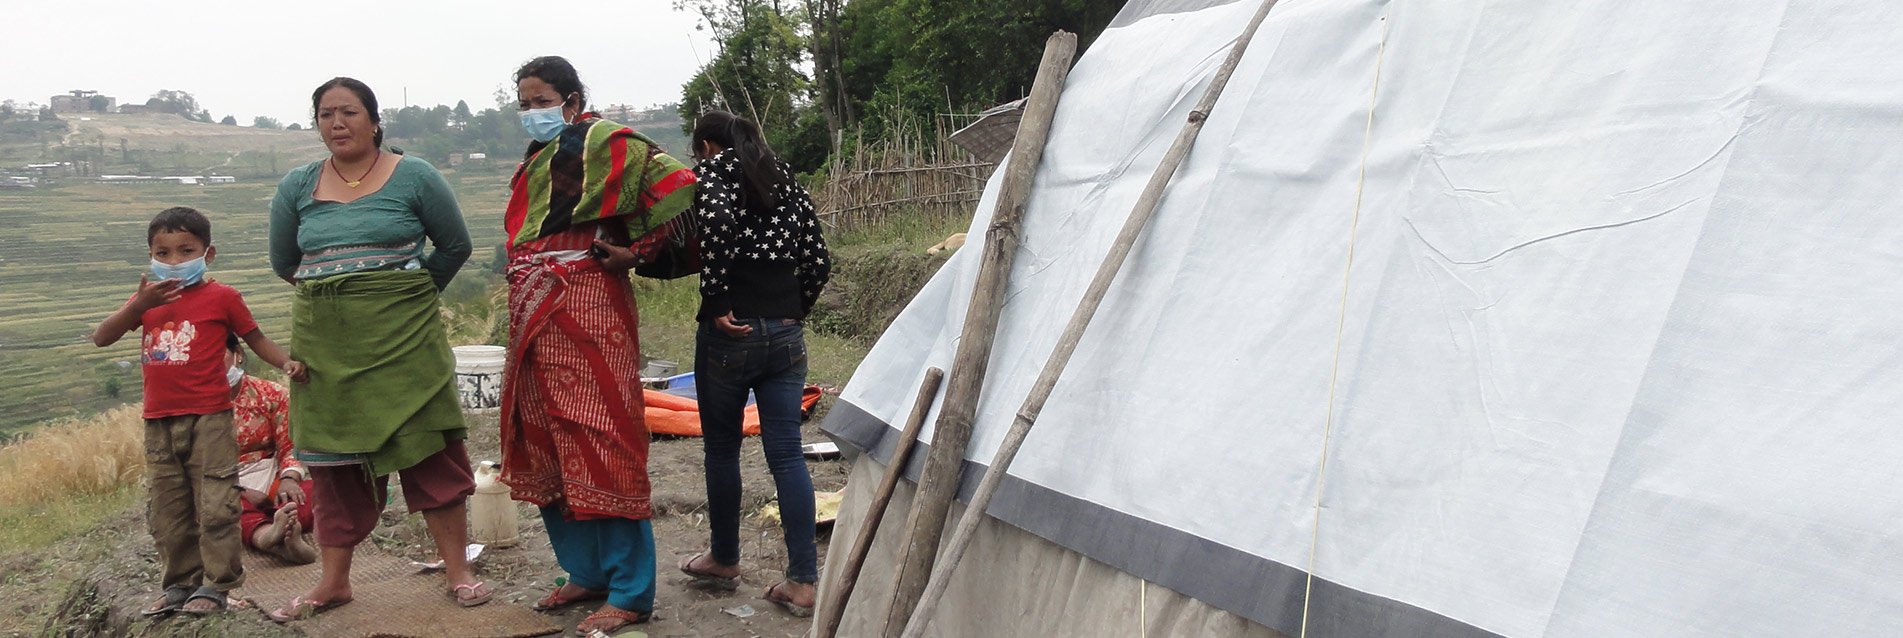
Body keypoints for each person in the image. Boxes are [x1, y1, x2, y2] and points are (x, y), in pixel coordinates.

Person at [264, 77, 483, 622]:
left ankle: (458, 570)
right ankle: (334, 582)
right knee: (334, 463)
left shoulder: (415, 176)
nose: (337, 123)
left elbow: (455, 245)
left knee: (430, 447)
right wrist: (343, 300)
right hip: (327, 348)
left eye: (349, 112)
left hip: (406, 341)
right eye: (325, 115)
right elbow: (284, 262)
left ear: (374, 119)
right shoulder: (297, 185)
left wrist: (405, 294)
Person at [497, 55, 697, 635]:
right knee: (544, 438)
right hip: (533, 310)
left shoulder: (607, 141)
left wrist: (641, 249)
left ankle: (631, 592)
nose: (532, 112)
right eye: (524, 103)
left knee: (602, 436)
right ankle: (585, 573)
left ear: (571, 97)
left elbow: (678, 184)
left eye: (540, 101)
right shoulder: (542, 157)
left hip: (587, 302)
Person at [90, 206, 307, 617]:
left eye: (185, 250)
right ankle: (178, 585)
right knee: (169, 508)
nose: (174, 261)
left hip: (209, 417)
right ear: (151, 255)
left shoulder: (222, 297)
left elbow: (254, 337)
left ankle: (217, 585)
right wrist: (138, 306)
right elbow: (102, 337)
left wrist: (286, 365)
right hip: (158, 421)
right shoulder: (145, 300)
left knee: (216, 504)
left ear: (208, 255)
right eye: (163, 252)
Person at [677, 110, 830, 617]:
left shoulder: (714, 176)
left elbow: (717, 224)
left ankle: (724, 558)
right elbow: (819, 259)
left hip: (731, 334)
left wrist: (718, 300)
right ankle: (803, 583)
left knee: (721, 451)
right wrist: (792, 310)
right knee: (786, 454)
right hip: (786, 332)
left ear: (705, 146)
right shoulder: (782, 178)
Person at [223, 334, 318, 564]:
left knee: (322, 492)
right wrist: (241, 491)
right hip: (226, 483)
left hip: (271, 476)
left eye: (218, 354)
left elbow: (289, 444)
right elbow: (197, 464)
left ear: (238, 355)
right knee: (219, 507)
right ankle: (267, 537)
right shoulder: (195, 407)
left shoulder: (270, 394)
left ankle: (284, 525)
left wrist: (288, 479)